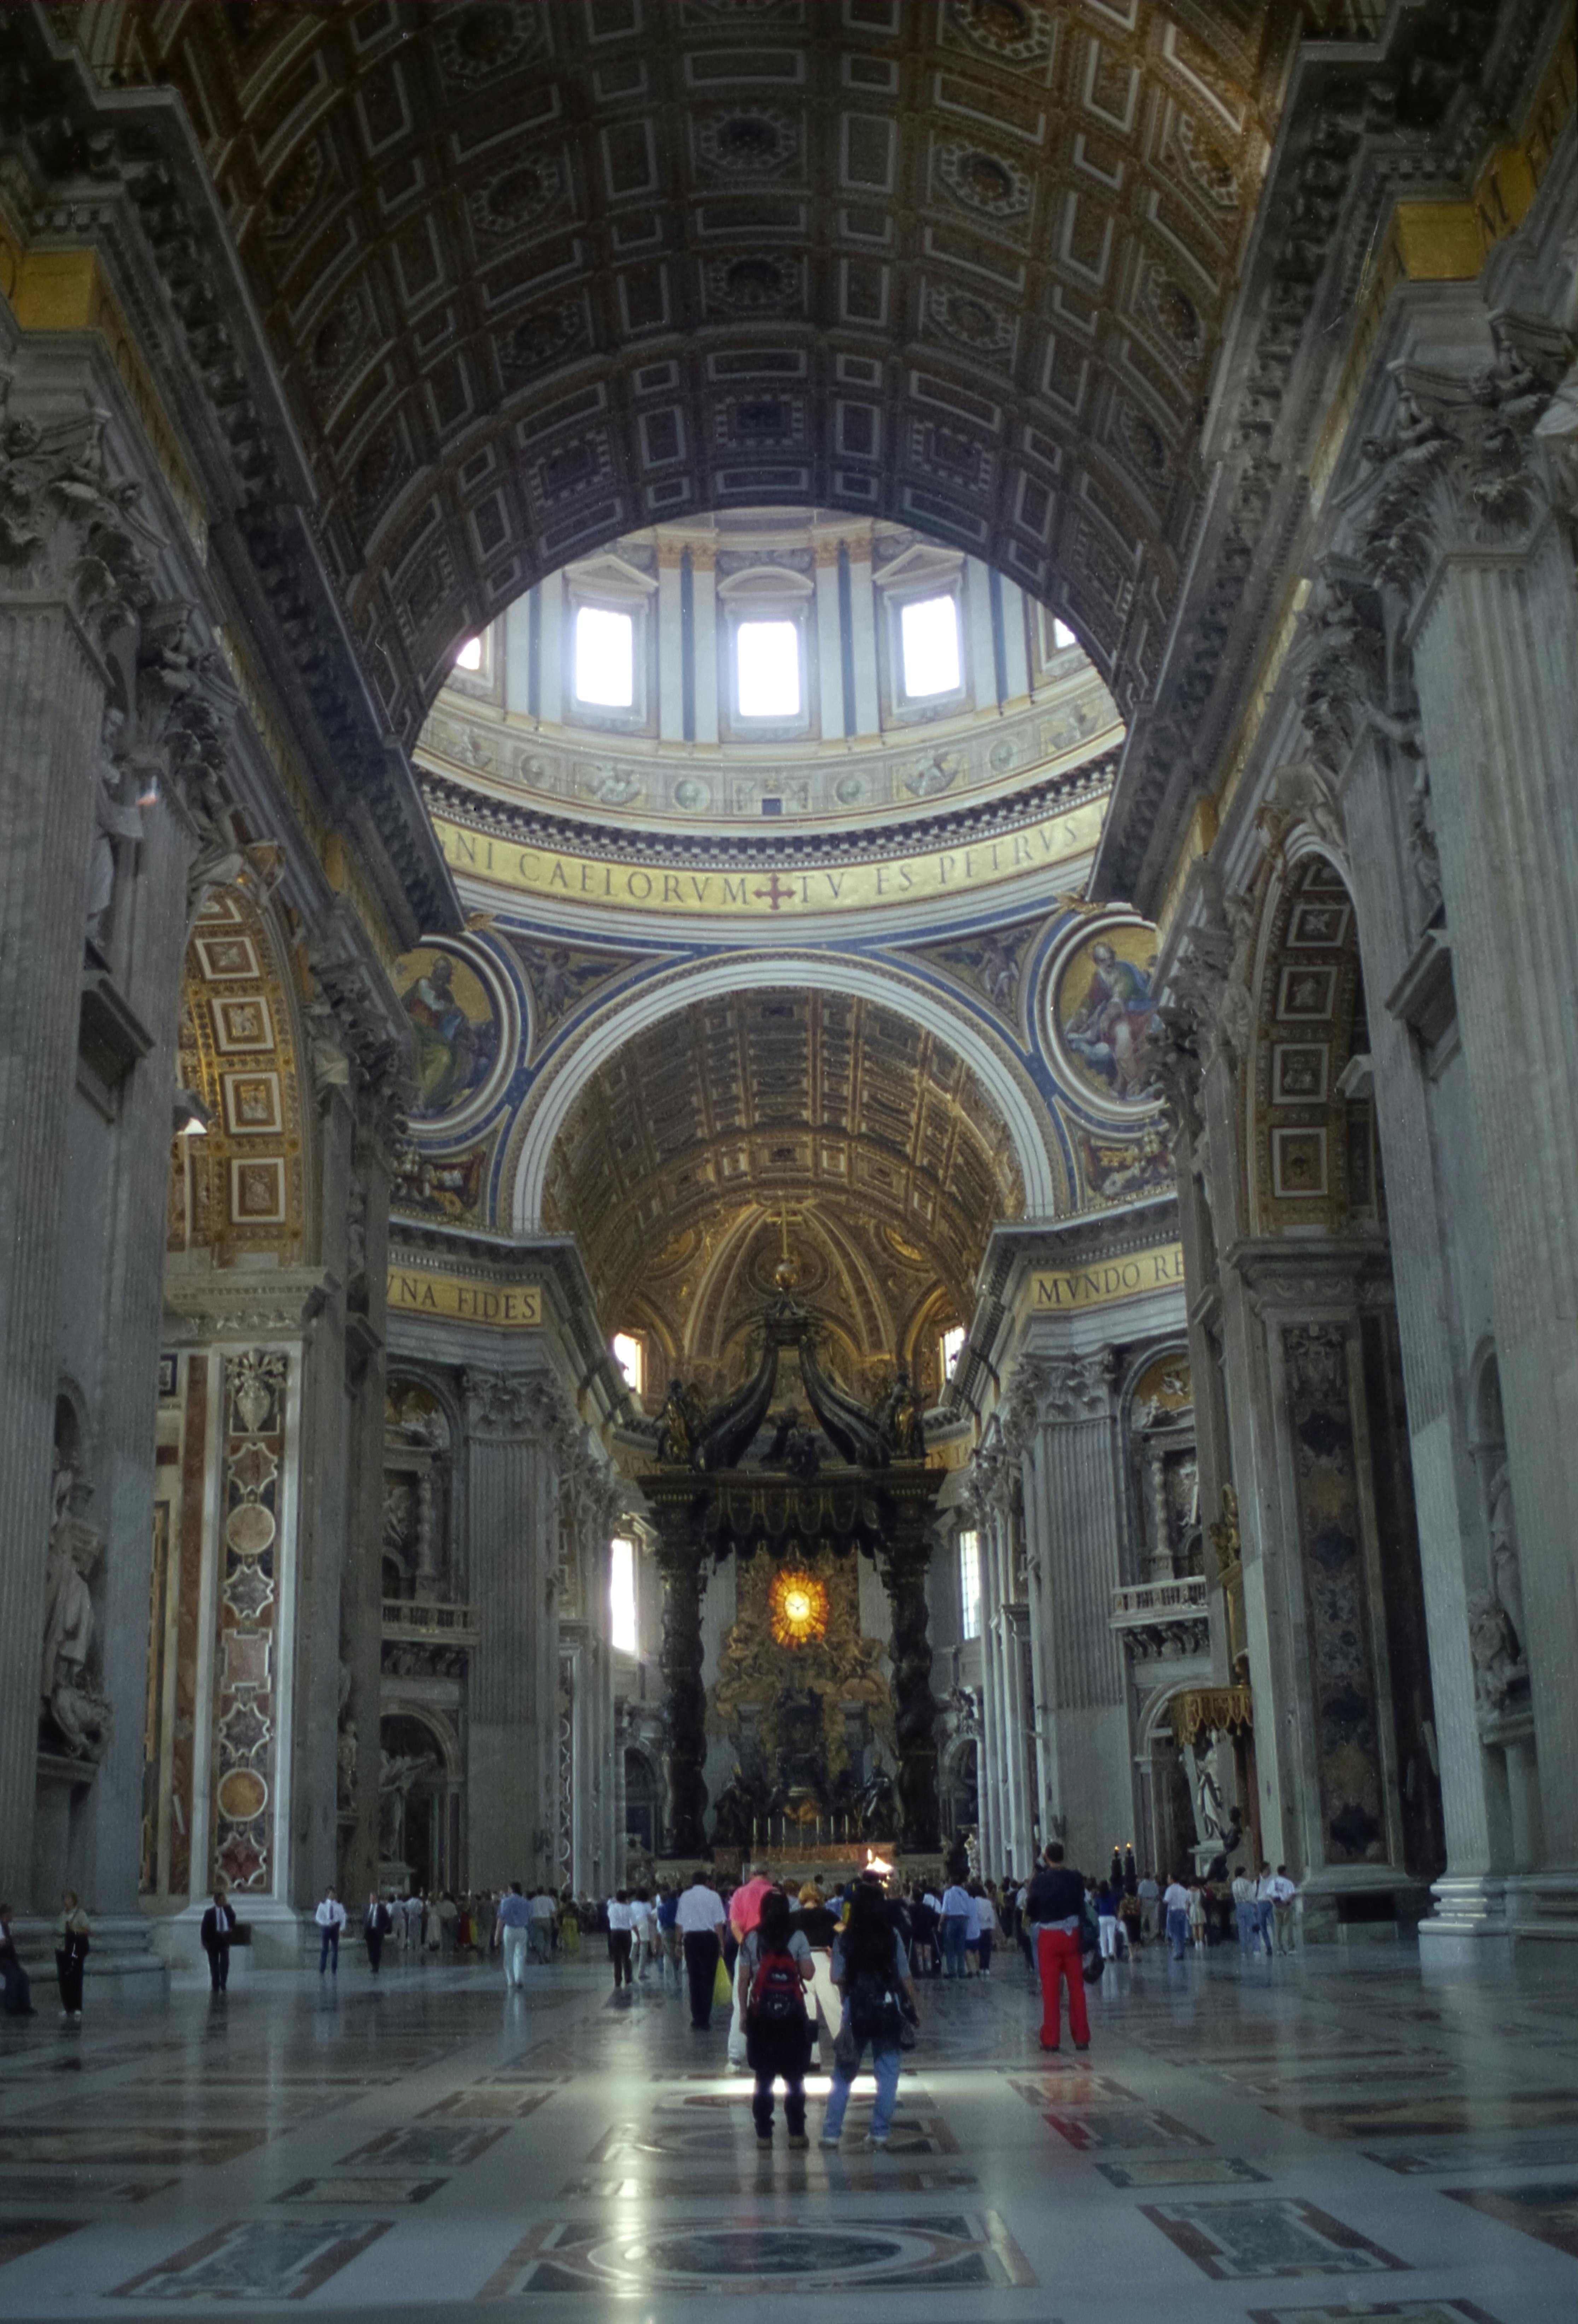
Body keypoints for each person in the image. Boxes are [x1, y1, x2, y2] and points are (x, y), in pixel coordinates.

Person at [820, 1880, 918, 2151]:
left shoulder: (844, 1938)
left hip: (856, 2007)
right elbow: (905, 1975)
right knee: (888, 2072)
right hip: (888, 2006)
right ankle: (880, 2132)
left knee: (843, 2071)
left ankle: (831, 2132)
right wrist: (915, 2007)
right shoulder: (892, 1935)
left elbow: (836, 1976)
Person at [740, 1889, 814, 2147]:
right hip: (792, 2015)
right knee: (794, 2076)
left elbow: (743, 1980)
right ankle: (796, 2133)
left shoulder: (752, 1938)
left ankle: (764, 2135)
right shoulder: (798, 1936)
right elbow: (809, 1973)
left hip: (762, 2017)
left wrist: (743, 2012)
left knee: (764, 2076)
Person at [1023, 1843, 1089, 2053]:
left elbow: (1031, 1907)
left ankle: (1051, 2039)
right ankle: (1082, 2037)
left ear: (1046, 1857)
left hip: (1050, 1936)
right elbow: (1081, 1902)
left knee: (1051, 1990)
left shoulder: (1041, 1881)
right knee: (1077, 1988)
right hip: (1073, 1934)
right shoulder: (1076, 1877)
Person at [789, 1880, 842, 2069]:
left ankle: (812, 2059)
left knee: (808, 2012)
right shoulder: (828, 1915)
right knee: (834, 2008)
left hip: (801, 1964)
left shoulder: (793, 1918)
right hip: (824, 1961)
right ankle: (844, 2051)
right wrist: (834, 1948)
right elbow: (844, 1931)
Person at [727, 1862, 774, 2066]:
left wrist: (745, 1944)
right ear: (768, 1875)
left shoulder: (740, 1893)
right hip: (774, 1950)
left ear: (752, 1874)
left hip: (747, 1947)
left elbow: (735, 1925)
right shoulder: (776, 1894)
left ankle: (735, 2057)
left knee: (742, 2000)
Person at [676, 1869, 727, 2029]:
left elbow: (680, 1922)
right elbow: (718, 1923)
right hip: (709, 1939)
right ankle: (705, 2017)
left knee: (694, 1978)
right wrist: (721, 1944)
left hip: (691, 1939)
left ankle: (696, 2017)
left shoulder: (685, 1896)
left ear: (692, 1881)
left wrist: (678, 1943)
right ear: (707, 1881)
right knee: (708, 1978)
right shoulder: (714, 1896)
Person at [55, 1890, 91, 2022]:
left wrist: (74, 1930)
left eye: (69, 1899)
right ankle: (67, 2006)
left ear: (74, 1900)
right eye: (65, 1899)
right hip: (62, 1948)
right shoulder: (62, 1915)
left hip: (76, 1949)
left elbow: (88, 1929)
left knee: (76, 1976)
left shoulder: (81, 1914)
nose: (66, 1902)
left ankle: (77, 2007)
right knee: (64, 1978)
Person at [0, 1903, 35, 2017]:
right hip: (3, 1959)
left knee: (23, 1977)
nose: (13, 1916)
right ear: (6, 1914)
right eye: (11, 1914)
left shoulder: (6, 1927)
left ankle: (25, 2005)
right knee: (13, 1977)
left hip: (9, 1959)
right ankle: (11, 2006)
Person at [201, 1889, 238, 1992]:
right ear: (217, 1901)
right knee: (214, 1964)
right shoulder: (209, 1913)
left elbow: (233, 1918)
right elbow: (204, 1928)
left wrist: (231, 1928)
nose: (223, 1902)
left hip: (224, 1939)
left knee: (225, 1963)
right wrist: (204, 1941)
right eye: (221, 1900)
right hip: (213, 1940)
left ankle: (223, 1983)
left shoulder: (228, 1910)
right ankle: (215, 1984)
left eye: (224, 1900)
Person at [494, 1882, 530, 1987]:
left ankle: (511, 1980)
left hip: (509, 1929)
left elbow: (501, 1920)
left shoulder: (505, 1902)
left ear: (511, 1890)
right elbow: (530, 1919)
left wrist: (497, 1936)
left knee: (508, 1955)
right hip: (522, 1929)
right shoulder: (526, 1902)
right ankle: (519, 1978)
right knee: (520, 1955)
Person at [938, 1872, 971, 1979]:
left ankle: (952, 1971)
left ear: (951, 1883)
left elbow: (945, 1910)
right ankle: (962, 1971)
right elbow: (968, 1908)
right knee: (961, 1947)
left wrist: (940, 1923)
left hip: (951, 1920)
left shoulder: (948, 1893)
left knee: (950, 1946)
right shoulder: (965, 1894)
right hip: (963, 1920)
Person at [1231, 1864, 1263, 1956]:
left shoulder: (1234, 1883)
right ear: (1243, 1873)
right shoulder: (1247, 1883)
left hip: (1238, 1905)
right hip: (1248, 1905)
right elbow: (1251, 1896)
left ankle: (1243, 1950)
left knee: (1242, 1929)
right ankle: (1256, 1949)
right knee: (1253, 1927)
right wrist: (1256, 1905)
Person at [316, 1886, 346, 1974]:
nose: (334, 1895)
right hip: (326, 1928)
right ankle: (323, 1967)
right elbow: (318, 1917)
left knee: (335, 1948)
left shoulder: (339, 1905)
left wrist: (342, 1928)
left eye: (334, 1893)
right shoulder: (323, 1905)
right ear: (328, 1895)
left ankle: (334, 1968)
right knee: (325, 1948)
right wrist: (325, 1923)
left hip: (335, 1927)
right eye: (332, 1893)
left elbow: (343, 1917)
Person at [606, 1889, 633, 1988]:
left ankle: (618, 1980)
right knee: (627, 1957)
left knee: (617, 1958)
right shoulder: (629, 1908)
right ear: (626, 1899)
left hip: (615, 1933)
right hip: (626, 1933)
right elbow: (633, 1922)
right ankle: (629, 1979)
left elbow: (609, 1917)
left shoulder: (612, 1908)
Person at [971, 1881, 999, 1976]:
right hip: (987, 1928)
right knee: (987, 1949)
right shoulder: (988, 1903)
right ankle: (986, 1968)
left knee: (978, 1949)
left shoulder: (973, 1902)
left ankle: (980, 1967)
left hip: (977, 1929)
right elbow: (992, 1916)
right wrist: (992, 1927)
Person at [1162, 1872, 1192, 1960]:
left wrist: (1162, 1900)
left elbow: (1166, 1901)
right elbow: (1188, 1900)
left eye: (1168, 1878)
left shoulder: (1170, 1890)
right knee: (1181, 1933)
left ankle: (1177, 1951)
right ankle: (1181, 1951)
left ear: (1172, 1879)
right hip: (1182, 1911)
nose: (1167, 1880)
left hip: (1173, 1912)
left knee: (1174, 1932)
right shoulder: (1183, 1889)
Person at [1270, 1864, 1298, 1953]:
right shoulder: (1289, 1883)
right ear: (1285, 1872)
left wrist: (1275, 1903)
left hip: (1277, 1906)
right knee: (1288, 1927)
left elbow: (1269, 1895)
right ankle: (1291, 1948)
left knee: (1278, 1927)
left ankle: (1279, 1948)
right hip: (1286, 1906)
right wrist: (1286, 1902)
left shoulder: (1273, 1882)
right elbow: (1292, 1894)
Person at [656, 1882, 680, 1985]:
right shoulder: (679, 1906)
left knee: (667, 1951)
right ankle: (676, 1972)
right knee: (677, 1950)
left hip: (666, 1930)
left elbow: (661, 1920)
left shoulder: (662, 1907)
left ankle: (669, 1973)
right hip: (678, 1929)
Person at [364, 1891, 392, 1975]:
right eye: (371, 1898)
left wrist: (383, 1928)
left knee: (377, 1948)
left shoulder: (381, 1908)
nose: (372, 1899)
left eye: (373, 1898)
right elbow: (365, 1918)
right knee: (370, 1949)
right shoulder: (368, 1908)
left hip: (378, 1931)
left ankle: (376, 1965)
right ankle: (372, 1962)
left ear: (377, 1899)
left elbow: (387, 1919)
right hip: (369, 1931)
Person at [1094, 1877, 1121, 1960]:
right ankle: (1112, 1953)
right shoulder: (1112, 1896)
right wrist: (1117, 1917)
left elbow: (1097, 1907)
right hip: (1112, 1917)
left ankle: (1104, 1954)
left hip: (1102, 1917)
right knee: (1111, 1936)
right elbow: (1116, 1908)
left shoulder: (1098, 1897)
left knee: (1103, 1936)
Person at [1255, 1862, 1278, 1955]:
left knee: (1274, 1925)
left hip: (1271, 1903)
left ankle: (1278, 1944)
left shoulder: (1273, 1879)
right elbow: (1254, 1893)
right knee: (1263, 1927)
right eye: (1268, 1869)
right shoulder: (1258, 1881)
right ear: (1264, 1870)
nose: (1270, 1870)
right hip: (1261, 1903)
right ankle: (1269, 1947)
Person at [1137, 1869, 1161, 1944]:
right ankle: (1153, 1935)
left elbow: (1140, 1895)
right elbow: (1157, 1894)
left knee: (1143, 1918)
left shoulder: (1142, 1885)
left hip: (1145, 1901)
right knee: (1153, 1918)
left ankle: (1140, 1933)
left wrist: (1139, 1904)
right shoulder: (1154, 1884)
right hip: (1153, 1901)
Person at [1187, 1881, 1206, 1950]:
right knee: (1201, 1926)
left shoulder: (1189, 1891)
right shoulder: (1201, 1889)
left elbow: (1188, 1902)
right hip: (1200, 1908)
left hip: (1193, 1909)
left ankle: (1197, 1943)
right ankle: (1201, 1942)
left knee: (1194, 1926)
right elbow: (1205, 1896)